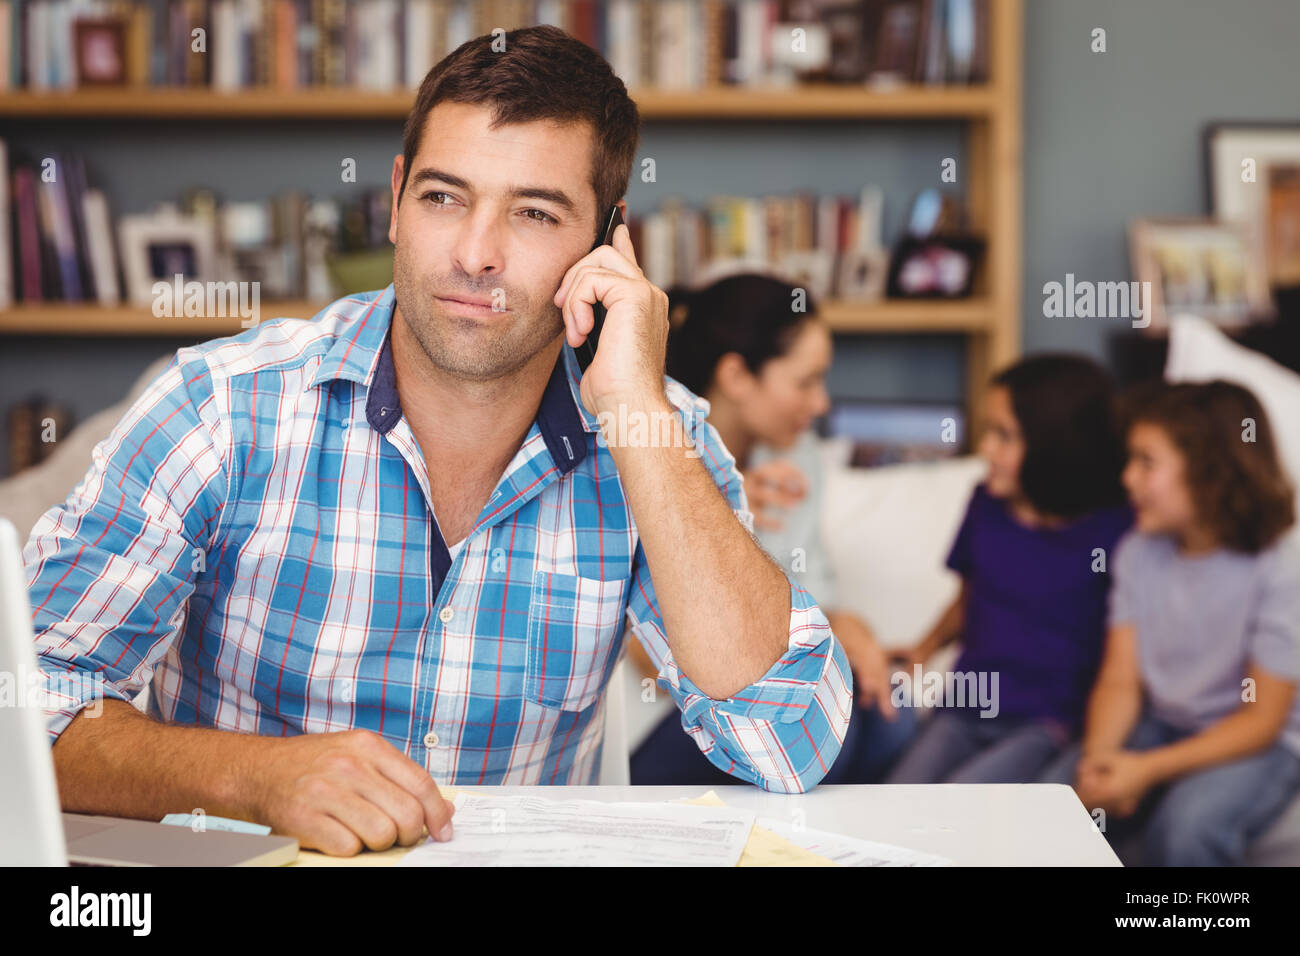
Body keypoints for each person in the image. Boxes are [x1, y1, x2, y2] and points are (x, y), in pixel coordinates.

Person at [25, 26, 852, 857]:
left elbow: (788, 744)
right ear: (394, 200)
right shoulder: (220, 408)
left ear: (608, 241)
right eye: (443, 197)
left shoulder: (653, 434)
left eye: (533, 212)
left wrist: (635, 404)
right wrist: (253, 777)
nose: (474, 254)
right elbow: (27, 705)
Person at [629, 272, 917, 786]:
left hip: (786, 683)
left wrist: (853, 634)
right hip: (711, 694)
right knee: (823, 732)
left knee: (892, 714)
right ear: (738, 376)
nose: (823, 403)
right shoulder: (651, 451)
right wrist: (719, 522)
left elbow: (817, 601)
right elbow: (644, 651)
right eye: (806, 381)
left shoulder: (797, 461)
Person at [1038, 381, 1300, 866]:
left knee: (1186, 830)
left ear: (1210, 473)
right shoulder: (1138, 553)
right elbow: (1120, 678)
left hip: (1260, 740)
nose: (1127, 479)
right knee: (1052, 801)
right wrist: (1100, 761)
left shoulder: (1282, 565)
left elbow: (1261, 719)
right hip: (1162, 723)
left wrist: (1146, 770)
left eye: (1146, 462)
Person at [886, 355, 1133, 783]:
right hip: (963, 710)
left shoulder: (1116, 530)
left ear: (1055, 444)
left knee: (962, 803)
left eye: (1004, 435)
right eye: (987, 431)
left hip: (1044, 724)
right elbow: (969, 600)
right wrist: (923, 650)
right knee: (899, 795)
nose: (985, 449)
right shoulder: (985, 504)